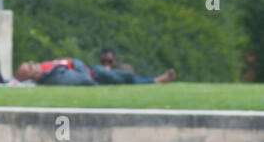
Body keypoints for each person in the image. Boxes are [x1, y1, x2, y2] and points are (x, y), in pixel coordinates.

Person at [14, 57, 175, 85]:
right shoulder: (51, 78)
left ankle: (156, 80)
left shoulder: (46, 70)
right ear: (31, 75)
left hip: (91, 70)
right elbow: (83, 79)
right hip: (93, 74)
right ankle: (157, 80)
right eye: (29, 67)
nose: (31, 63)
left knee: (127, 77)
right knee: (128, 77)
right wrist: (75, 63)